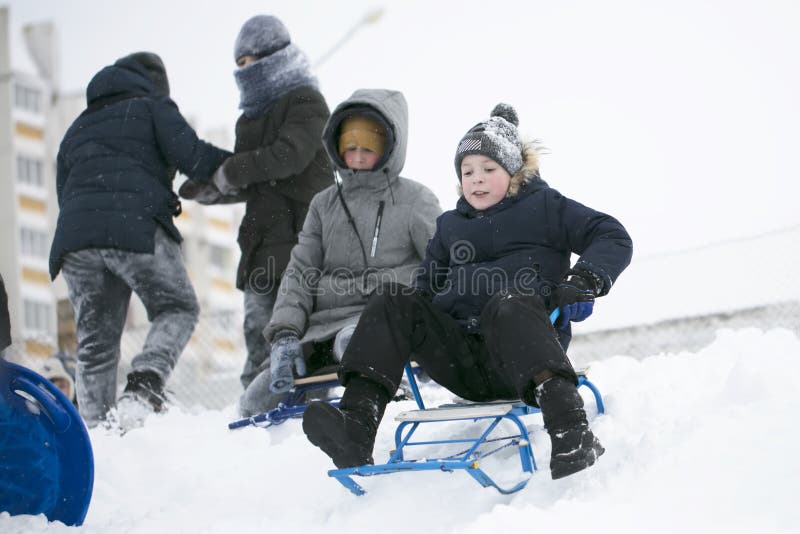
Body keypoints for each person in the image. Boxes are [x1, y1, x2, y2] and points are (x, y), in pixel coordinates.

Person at [302, 104, 633, 480]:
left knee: (510, 301)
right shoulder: (450, 227)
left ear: (513, 172)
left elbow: (612, 235)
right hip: (460, 361)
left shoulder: (546, 207)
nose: (476, 179)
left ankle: (571, 428)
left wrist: (582, 282)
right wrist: (397, 325)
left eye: (488, 169)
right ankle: (355, 428)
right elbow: (424, 290)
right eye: (467, 171)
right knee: (393, 298)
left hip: (522, 357)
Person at [49, 52, 231, 427]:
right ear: (156, 82)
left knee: (96, 345)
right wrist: (247, 166)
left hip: (76, 241)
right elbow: (193, 156)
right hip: (134, 226)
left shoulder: (77, 128)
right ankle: (144, 385)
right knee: (177, 307)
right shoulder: (152, 106)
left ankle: (98, 437)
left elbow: (64, 192)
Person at [238, 89, 442, 417]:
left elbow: (440, 267)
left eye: (367, 149)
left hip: (384, 322)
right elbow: (300, 271)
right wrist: (286, 333)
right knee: (256, 400)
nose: (358, 158)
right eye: (350, 149)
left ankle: (380, 382)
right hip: (321, 330)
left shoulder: (416, 201)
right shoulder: (324, 205)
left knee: (356, 340)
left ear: (389, 148)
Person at [179, 15, 333, 390]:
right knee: (257, 332)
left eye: (251, 63)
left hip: (303, 243)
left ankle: (307, 409)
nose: (245, 72)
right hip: (260, 244)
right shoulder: (249, 118)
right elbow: (259, 180)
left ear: (273, 56)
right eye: (240, 65)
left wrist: (230, 172)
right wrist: (215, 189)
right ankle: (255, 418)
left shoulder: (306, 101)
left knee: (301, 336)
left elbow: (288, 156)